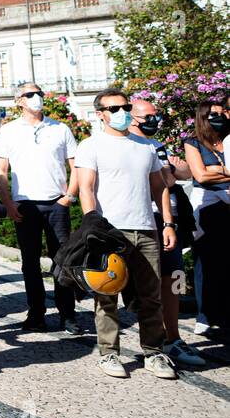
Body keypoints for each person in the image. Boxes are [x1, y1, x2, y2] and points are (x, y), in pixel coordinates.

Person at [75, 89, 177, 380]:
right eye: (114, 107)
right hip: (109, 230)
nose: (122, 112)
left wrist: (167, 224)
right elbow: (86, 188)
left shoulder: (144, 146)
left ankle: (154, 352)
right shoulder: (91, 145)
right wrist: (92, 226)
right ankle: (109, 353)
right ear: (100, 114)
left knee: (151, 295)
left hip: (146, 228)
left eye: (126, 106)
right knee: (106, 295)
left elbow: (159, 187)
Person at [0, 82, 81, 334]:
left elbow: (75, 165)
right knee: (29, 263)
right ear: (19, 101)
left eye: (39, 93)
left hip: (57, 204)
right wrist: (8, 203)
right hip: (25, 206)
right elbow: (1, 170)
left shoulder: (60, 128)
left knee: (62, 261)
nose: (37, 98)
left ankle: (68, 315)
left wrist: (69, 196)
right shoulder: (8, 131)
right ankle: (36, 314)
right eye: (30, 94)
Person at [129, 99, 205, 368]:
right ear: (133, 117)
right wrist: (170, 173)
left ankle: (173, 338)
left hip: (171, 221)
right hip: (145, 221)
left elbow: (185, 171)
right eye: (148, 116)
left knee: (174, 280)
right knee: (148, 285)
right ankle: (154, 341)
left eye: (156, 115)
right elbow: (162, 181)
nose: (154, 120)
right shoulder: (129, 146)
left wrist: (172, 170)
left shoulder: (158, 145)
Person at [182, 98, 229, 333]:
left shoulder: (228, 141)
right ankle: (204, 315)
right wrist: (225, 171)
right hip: (207, 208)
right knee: (206, 263)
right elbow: (200, 176)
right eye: (214, 114)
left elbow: (209, 173)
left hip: (227, 206)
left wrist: (216, 171)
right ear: (203, 117)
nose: (220, 117)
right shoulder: (193, 143)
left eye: (223, 113)